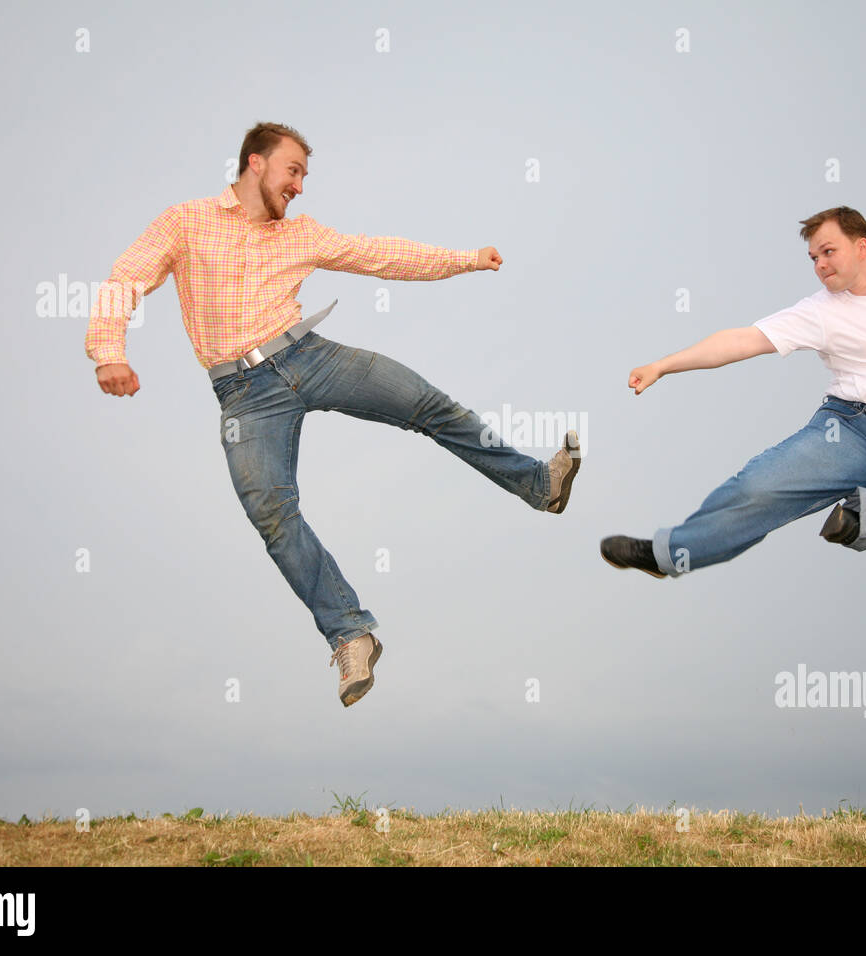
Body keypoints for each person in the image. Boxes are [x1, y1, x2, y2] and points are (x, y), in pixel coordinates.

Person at [86, 122, 581, 708]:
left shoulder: (303, 235)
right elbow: (127, 277)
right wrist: (108, 352)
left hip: (309, 356)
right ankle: (350, 632)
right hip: (245, 396)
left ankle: (537, 483)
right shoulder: (187, 221)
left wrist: (465, 259)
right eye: (292, 171)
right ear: (255, 163)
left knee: (427, 404)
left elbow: (380, 254)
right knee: (271, 514)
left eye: (303, 176)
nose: (298, 186)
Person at [601, 206, 866, 578]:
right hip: (848, 436)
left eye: (828, 252)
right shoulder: (820, 309)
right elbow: (743, 341)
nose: (820, 264)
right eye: (813, 258)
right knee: (756, 488)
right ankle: (666, 553)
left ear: (862, 246)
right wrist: (663, 366)